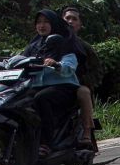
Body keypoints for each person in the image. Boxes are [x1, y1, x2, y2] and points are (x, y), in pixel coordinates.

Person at [22, 9, 83, 156]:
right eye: (39, 22)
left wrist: (57, 64)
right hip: (38, 86)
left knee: (41, 99)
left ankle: (46, 143)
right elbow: (19, 59)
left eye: (46, 22)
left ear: (53, 24)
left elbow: (70, 65)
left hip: (63, 87)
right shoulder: (34, 45)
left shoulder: (63, 42)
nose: (41, 25)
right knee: (17, 101)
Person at [62, 6, 101, 149]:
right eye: (67, 18)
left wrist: (81, 81)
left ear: (80, 24)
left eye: (74, 19)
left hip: (77, 86)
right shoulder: (50, 41)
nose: (70, 21)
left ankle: (86, 132)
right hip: (54, 85)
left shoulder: (84, 47)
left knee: (83, 92)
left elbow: (97, 70)